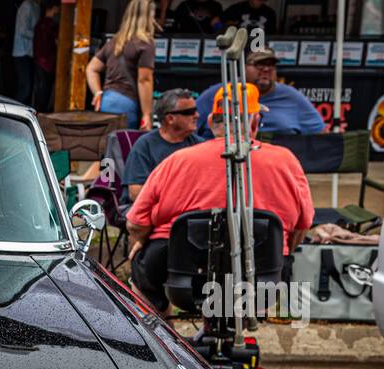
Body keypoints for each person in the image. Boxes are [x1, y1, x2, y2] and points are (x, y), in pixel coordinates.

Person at [127, 83, 314, 314]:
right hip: (260, 272)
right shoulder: (286, 161)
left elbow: (135, 222)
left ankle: (162, 340)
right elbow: (303, 225)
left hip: (182, 272)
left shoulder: (178, 160)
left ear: (211, 123)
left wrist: (141, 240)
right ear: (254, 122)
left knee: (142, 269)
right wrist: (281, 252)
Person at [195, 47, 325, 136]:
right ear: (244, 67)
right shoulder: (220, 93)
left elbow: (319, 134)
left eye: (271, 65)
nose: (266, 69)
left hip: (274, 164)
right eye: (260, 64)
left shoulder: (292, 96)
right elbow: (187, 131)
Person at [122, 88, 202, 206]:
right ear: (170, 118)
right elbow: (135, 192)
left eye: (196, 110)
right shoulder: (145, 145)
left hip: (188, 210)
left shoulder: (199, 145)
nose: (197, 115)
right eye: (189, 112)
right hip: (151, 209)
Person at [85, 0, 157, 129]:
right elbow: (144, 80)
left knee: (108, 146)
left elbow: (91, 68)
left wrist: (97, 93)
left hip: (106, 101)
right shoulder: (145, 43)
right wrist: (147, 114)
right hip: (127, 103)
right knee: (125, 146)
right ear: (148, 17)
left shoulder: (114, 42)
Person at [32, 0, 60, 111]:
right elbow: (58, 42)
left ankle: (37, 114)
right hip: (48, 62)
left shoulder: (39, 23)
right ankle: (43, 117)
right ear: (54, 8)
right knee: (45, 92)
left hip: (39, 60)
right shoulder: (52, 25)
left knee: (40, 91)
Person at [12, 0, 40, 107]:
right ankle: (13, 113)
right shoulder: (27, 5)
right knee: (25, 88)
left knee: (28, 87)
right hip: (21, 52)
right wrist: (39, 37)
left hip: (31, 52)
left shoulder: (36, 6)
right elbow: (23, 30)